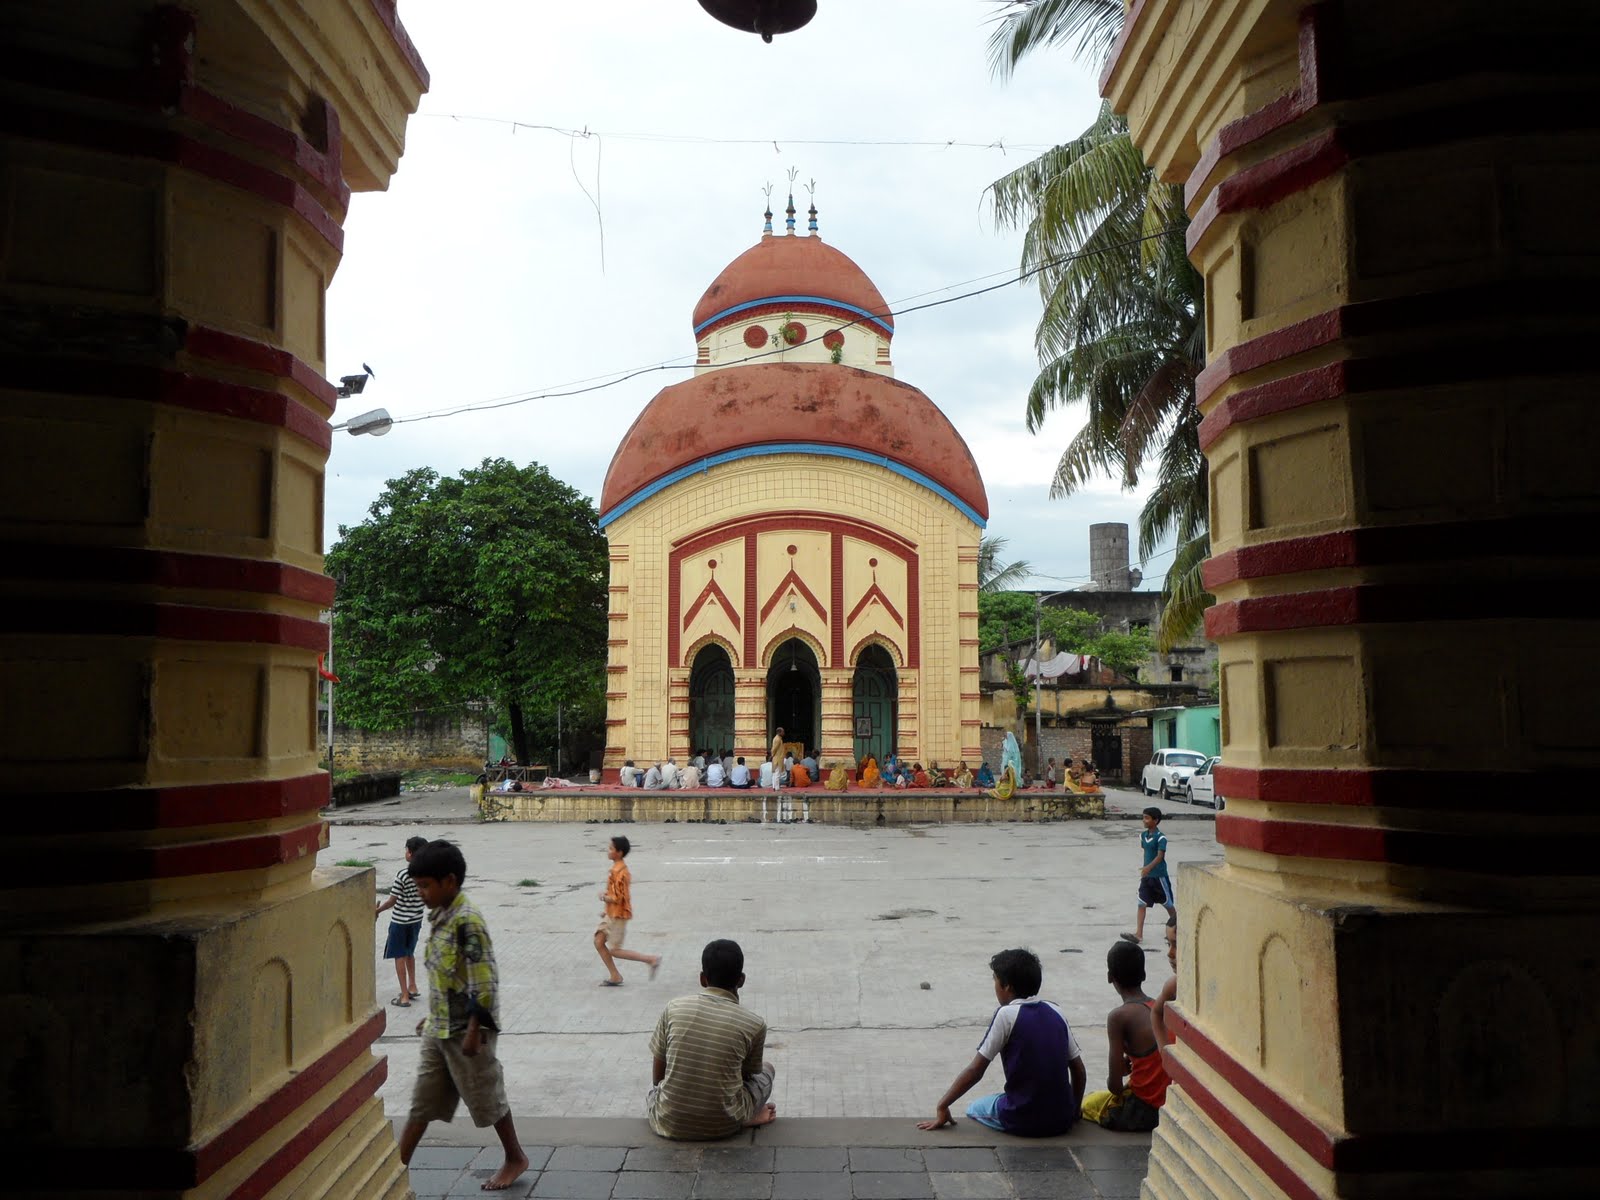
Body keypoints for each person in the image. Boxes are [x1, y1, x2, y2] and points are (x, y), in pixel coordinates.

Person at [398, 840, 529, 1191]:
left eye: (426, 885)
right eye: (418, 885)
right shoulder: (441, 915)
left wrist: (474, 1029)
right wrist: (432, 1015)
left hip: (467, 1032)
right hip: (439, 1028)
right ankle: (396, 1168)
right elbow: (448, 974)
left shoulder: (467, 922)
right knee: (422, 1102)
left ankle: (515, 1156)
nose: (421, 893)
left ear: (450, 882)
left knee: (486, 1096)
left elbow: (482, 981)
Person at [917, 948, 1085, 1136]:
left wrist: (943, 1105)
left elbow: (975, 1071)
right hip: (1062, 1119)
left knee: (974, 1107)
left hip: (1023, 1119)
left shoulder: (1006, 1014)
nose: (995, 986)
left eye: (995, 981)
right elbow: (1078, 1070)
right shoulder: (1056, 1011)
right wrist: (1074, 1111)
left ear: (1007, 987)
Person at [647, 938, 777, 1139]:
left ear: (702, 978)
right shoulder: (754, 1023)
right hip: (724, 1126)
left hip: (666, 1121)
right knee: (767, 1069)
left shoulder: (673, 1008)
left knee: (653, 1093)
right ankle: (746, 1117)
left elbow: (657, 1078)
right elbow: (745, 1078)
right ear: (741, 980)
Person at [1079, 941, 1169, 1131]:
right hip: (1167, 1108)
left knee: (1088, 1103)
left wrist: (1120, 1072)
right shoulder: (1158, 1008)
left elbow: (1115, 1087)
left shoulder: (1118, 1017)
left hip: (1140, 1112)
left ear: (1110, 977)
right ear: (1144, 975)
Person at [594, 835, 662, 986]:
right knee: (599, 941)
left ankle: (651, 959)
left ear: (619, 853)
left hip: (618, 915)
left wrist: (604, 898)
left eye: (611, 848)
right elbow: (613, 893)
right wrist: (606, 907)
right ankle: (615, 975)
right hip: (611, 913)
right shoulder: (615, 869)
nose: (608, 850)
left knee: (615, 950)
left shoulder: (621, 873)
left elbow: (618, 897)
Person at [375, 835, 429, 1008]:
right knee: (409, 953)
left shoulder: (404, 875)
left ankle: (404, 995)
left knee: (399, 956)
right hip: (416, 920)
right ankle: (412, 986)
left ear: (411, 854)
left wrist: (378, 910)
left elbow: (392, 901)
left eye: (407, 850)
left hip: (400, 922)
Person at [1123, 807, 1176, 944]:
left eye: (1147, 818)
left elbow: (1160, 857)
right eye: (1143, 817)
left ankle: (1177, 928)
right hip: (1147, 877)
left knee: (1168, 904)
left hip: (1159, 876)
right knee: (1141, 903)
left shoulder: (1161, 838)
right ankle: (1139, 934)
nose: (1144, 820)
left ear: (1156, 820)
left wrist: (1148, 868)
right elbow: (1145, 849)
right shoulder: (1143, 836)